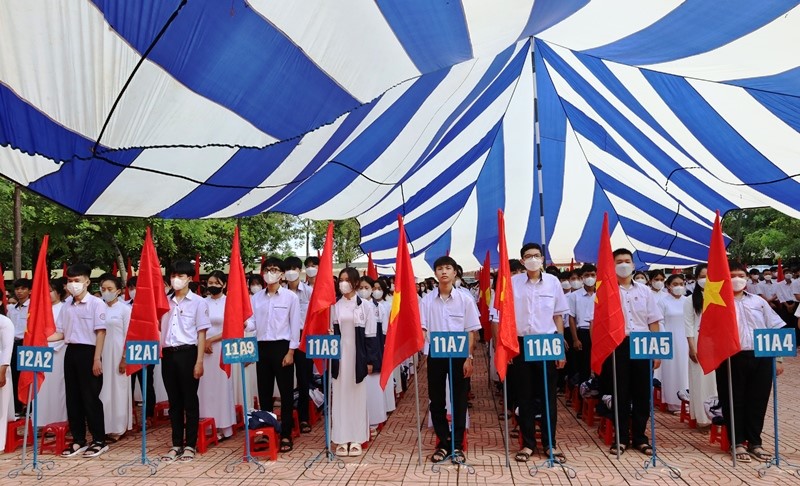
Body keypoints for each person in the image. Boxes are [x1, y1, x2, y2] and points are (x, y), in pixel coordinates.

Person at [716, 261, 785, 463]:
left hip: (761, 356)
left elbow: (775, 328)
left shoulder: (758, 301)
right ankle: (736, 442)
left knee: (758, 399)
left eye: (741, 275)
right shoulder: (717, 303)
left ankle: (755, 442)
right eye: (732, 275)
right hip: (731, 358)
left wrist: (777, 359)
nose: (737, 279)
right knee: (733, 399)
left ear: (747, 278)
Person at [510, 244, 569, 464]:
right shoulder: (514, 283)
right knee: (524, 396)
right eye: (528, 256)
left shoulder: (553, 283)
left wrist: (560, 349)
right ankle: (528, 444)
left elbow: (558, 317)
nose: (533, 259)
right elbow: (506, 316)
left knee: (548, 397)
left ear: (542, 259)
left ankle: (550, 444)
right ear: (522, 261)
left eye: (536, 256)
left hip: (547, 344)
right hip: (522, 343)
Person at [602, 249, 663, 456]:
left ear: (633, 264)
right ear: (612, 265)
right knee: (620, 392)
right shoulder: (607, 290)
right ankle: (621, 438)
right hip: (618, 344)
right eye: (619, 261)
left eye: (627, 261)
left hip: (643, 343)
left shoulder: (645, 291)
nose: (624, 265)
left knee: (642, 393)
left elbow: (654, 320)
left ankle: (640, 437)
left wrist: (656, 351)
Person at [421, 256, 479, 464]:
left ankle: (457, 444)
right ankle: (443, 442)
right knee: (436, 400)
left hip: (459, 356)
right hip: (436, 356)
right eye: (439, 268)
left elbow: (471, 330)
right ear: (435, 273)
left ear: (455, 272)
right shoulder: (427, 300)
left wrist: (469, 357)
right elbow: (423, 329)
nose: (443, 272)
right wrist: (426, 355)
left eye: (448, 268)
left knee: (459, 400)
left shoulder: (465, 299)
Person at [48, 264, 108, 458]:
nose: (73, 285)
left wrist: (97, 358)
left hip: (89, 352)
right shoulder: (67, 305)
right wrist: (40, 337)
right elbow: (60, 333)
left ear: (87, 282)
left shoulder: (96, 304)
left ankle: (99, 440)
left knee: (90, 398)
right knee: (72, 398)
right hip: (71, 352)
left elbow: (100, 332)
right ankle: (79, 440)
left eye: (77, 281)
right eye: (70, 281)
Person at [159, 260, 211, 462]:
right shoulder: (164, 301)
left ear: (189, 278)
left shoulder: (199, 302)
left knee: (190, 400)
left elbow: (201, 333)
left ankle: (190, 444)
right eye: (173, 276)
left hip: (188, 353)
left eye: (180, 276)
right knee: (174, 402)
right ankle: (175, 444)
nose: (175, 280)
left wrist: (199, 361)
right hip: (168, 354)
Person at [249, 257, 300, 454]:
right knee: (264, 393)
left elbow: (294, 325)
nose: (271, 272)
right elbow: (252, 323)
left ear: (281, 274)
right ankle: (266, 429)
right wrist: (244, 323)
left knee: (286, 393)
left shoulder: (290, 298)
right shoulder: (256, 298)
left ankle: (286, 433)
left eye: (275, 269)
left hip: (282, 348)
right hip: (262, 347)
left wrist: (291, 351)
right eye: (267, 269)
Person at [330, 267, 375, 457]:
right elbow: (330, 333)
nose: (343, 283)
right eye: (341, 279)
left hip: (358, 357)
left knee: (357, 396)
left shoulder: (365, 306)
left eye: (347, 280)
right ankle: (341, 438)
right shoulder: (334, 306)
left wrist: (370, 361)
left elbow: (371, 336)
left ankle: (357, 437)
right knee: (340, 397)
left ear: (355, 282)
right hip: (340, 357)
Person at [198, 270, 236, 441]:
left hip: (221, 348)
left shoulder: (229, 302)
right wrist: (203, 342)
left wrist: (211, 340)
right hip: (203, 349)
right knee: (204, 387)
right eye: (210, 283)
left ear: (224, 284)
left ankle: (224, 425)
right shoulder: (201, 303)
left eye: (216, 283)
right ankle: (206, 424)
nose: (212, 286)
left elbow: (232, 327)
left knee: (221, 386)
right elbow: (196, 325)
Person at [98, 274, 133, 440]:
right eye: (103, 289)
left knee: (118, 389)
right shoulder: (98, 308)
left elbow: (129, 335)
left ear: (118, 291)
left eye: (110, 289)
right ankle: (103, 425)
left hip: (118, 352)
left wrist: (125, 358)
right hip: (101, 353)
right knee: (102, 390)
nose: (106, 292)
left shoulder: (125, 309)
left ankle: (118, 428)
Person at [683, 264, 717, 427]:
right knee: (700, 380)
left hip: (716, 343)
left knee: (716, 381)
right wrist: (692, 347)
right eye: (702, 276)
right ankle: (702, 418)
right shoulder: (690, 300)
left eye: (709, 276)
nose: (706, 280)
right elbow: (688, 324)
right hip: (698, 341)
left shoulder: (720, 297)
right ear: (696, 279)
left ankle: (717, 414)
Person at [285, 256, 314, 434]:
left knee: (304, 379)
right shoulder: (282, 293)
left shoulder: (309, 292)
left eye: (294, 268)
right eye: (287, 268)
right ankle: (288, 417)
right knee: (287, 380)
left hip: (304, 337)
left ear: (300, 270)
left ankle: (304, 417)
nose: (291, 272)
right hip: (286, 339)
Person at [357, 276, 385, 438]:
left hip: (373, 353)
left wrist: (373, 359)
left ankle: (373, 422)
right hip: (357, 354)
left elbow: (377, 336)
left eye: (367, 287)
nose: (364, 290)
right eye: (360, 286)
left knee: (373, 390)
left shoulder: (377, 307)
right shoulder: (354, 306)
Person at [37, 280, 68, 425]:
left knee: (58, 387)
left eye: (50, 290)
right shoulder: (40, 309)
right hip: (41, 354)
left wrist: (54, 346)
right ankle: (41, 421)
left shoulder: (65, 308)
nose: (48, 294)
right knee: (41, 388)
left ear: (58, 292)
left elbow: (66, 332)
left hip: (58, 352)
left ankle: (58, 421)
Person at [657, 274, 689, 412]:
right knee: (672, 370)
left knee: (686, 370)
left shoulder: (688, 301)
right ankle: (672, 402)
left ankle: (687, 400)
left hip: (687, 339)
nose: (679, 287)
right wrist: (665, 337)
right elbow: (659, 321)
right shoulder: (663, 302)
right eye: (675, 284)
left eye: (681, 284)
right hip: (670, 339)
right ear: (668, 286)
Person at [568, 264, 596, 386]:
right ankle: (582, 392)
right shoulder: (574, 296)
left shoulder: (601, 293)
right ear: (582, 277)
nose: (590, 278)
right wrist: (575, 339)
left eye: (592, 275)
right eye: (586, 275)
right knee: (584, 365)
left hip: (598, 331)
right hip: (583, 332)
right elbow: (571, 318)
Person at [371, 278, 396, 414]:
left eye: (379, 288)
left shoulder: (388, 304)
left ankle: (388, 404)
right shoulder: (367, 305)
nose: (376, 291)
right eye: (373, 288)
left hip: (386, 340)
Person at [8, 278, 31, 416]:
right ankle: (17, 407)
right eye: (17, 289)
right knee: (15, 376)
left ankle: (29, 407)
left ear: (29, 290)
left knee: (28, 376)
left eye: (23, 288)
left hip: (27, 344)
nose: (19, 292)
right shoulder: (12, 309)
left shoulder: (33, 308)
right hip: (14, 344)